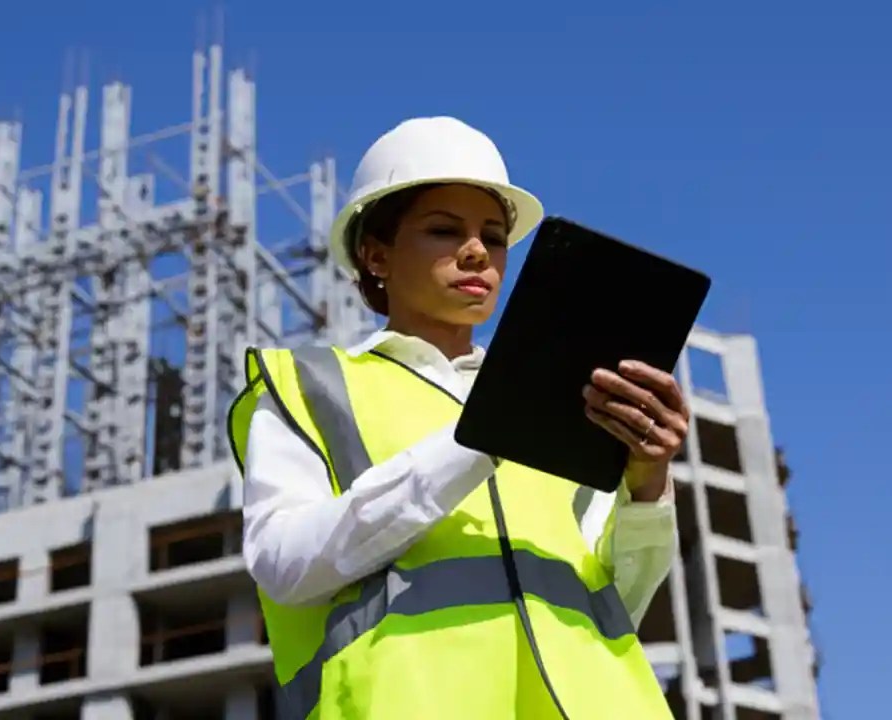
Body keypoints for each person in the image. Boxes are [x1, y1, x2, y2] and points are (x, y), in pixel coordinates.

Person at [227, 116, 688, 719]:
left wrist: (647, 482)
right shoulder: (310, 386)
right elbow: (284, 564)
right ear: (375, 255)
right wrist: (480, 437)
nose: (477, 252)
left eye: (494, 238)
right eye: (445, 231)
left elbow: (617, 599)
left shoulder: (560, 398)